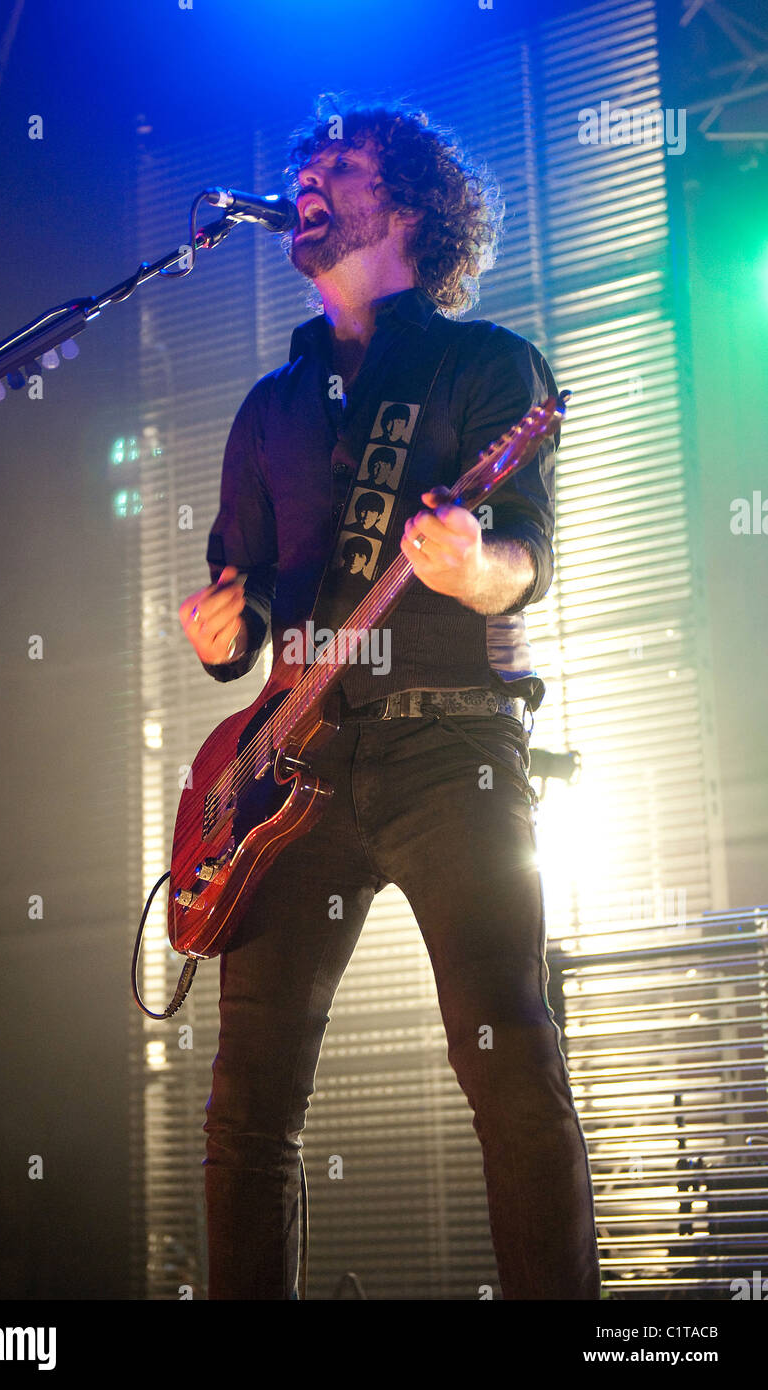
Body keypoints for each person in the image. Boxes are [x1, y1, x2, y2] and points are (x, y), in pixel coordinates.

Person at [178, 96, 601, 1301]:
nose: (305, 176)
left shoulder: (484, 367)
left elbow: (523, 546)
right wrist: (226, 633)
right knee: (244, 1107)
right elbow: (240, 596)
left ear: (407, 205)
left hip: (444, 750)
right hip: (287, 779)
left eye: (340, 163)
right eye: (302, 163)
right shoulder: (268, 406)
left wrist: (478, 569)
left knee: (509, 1058)